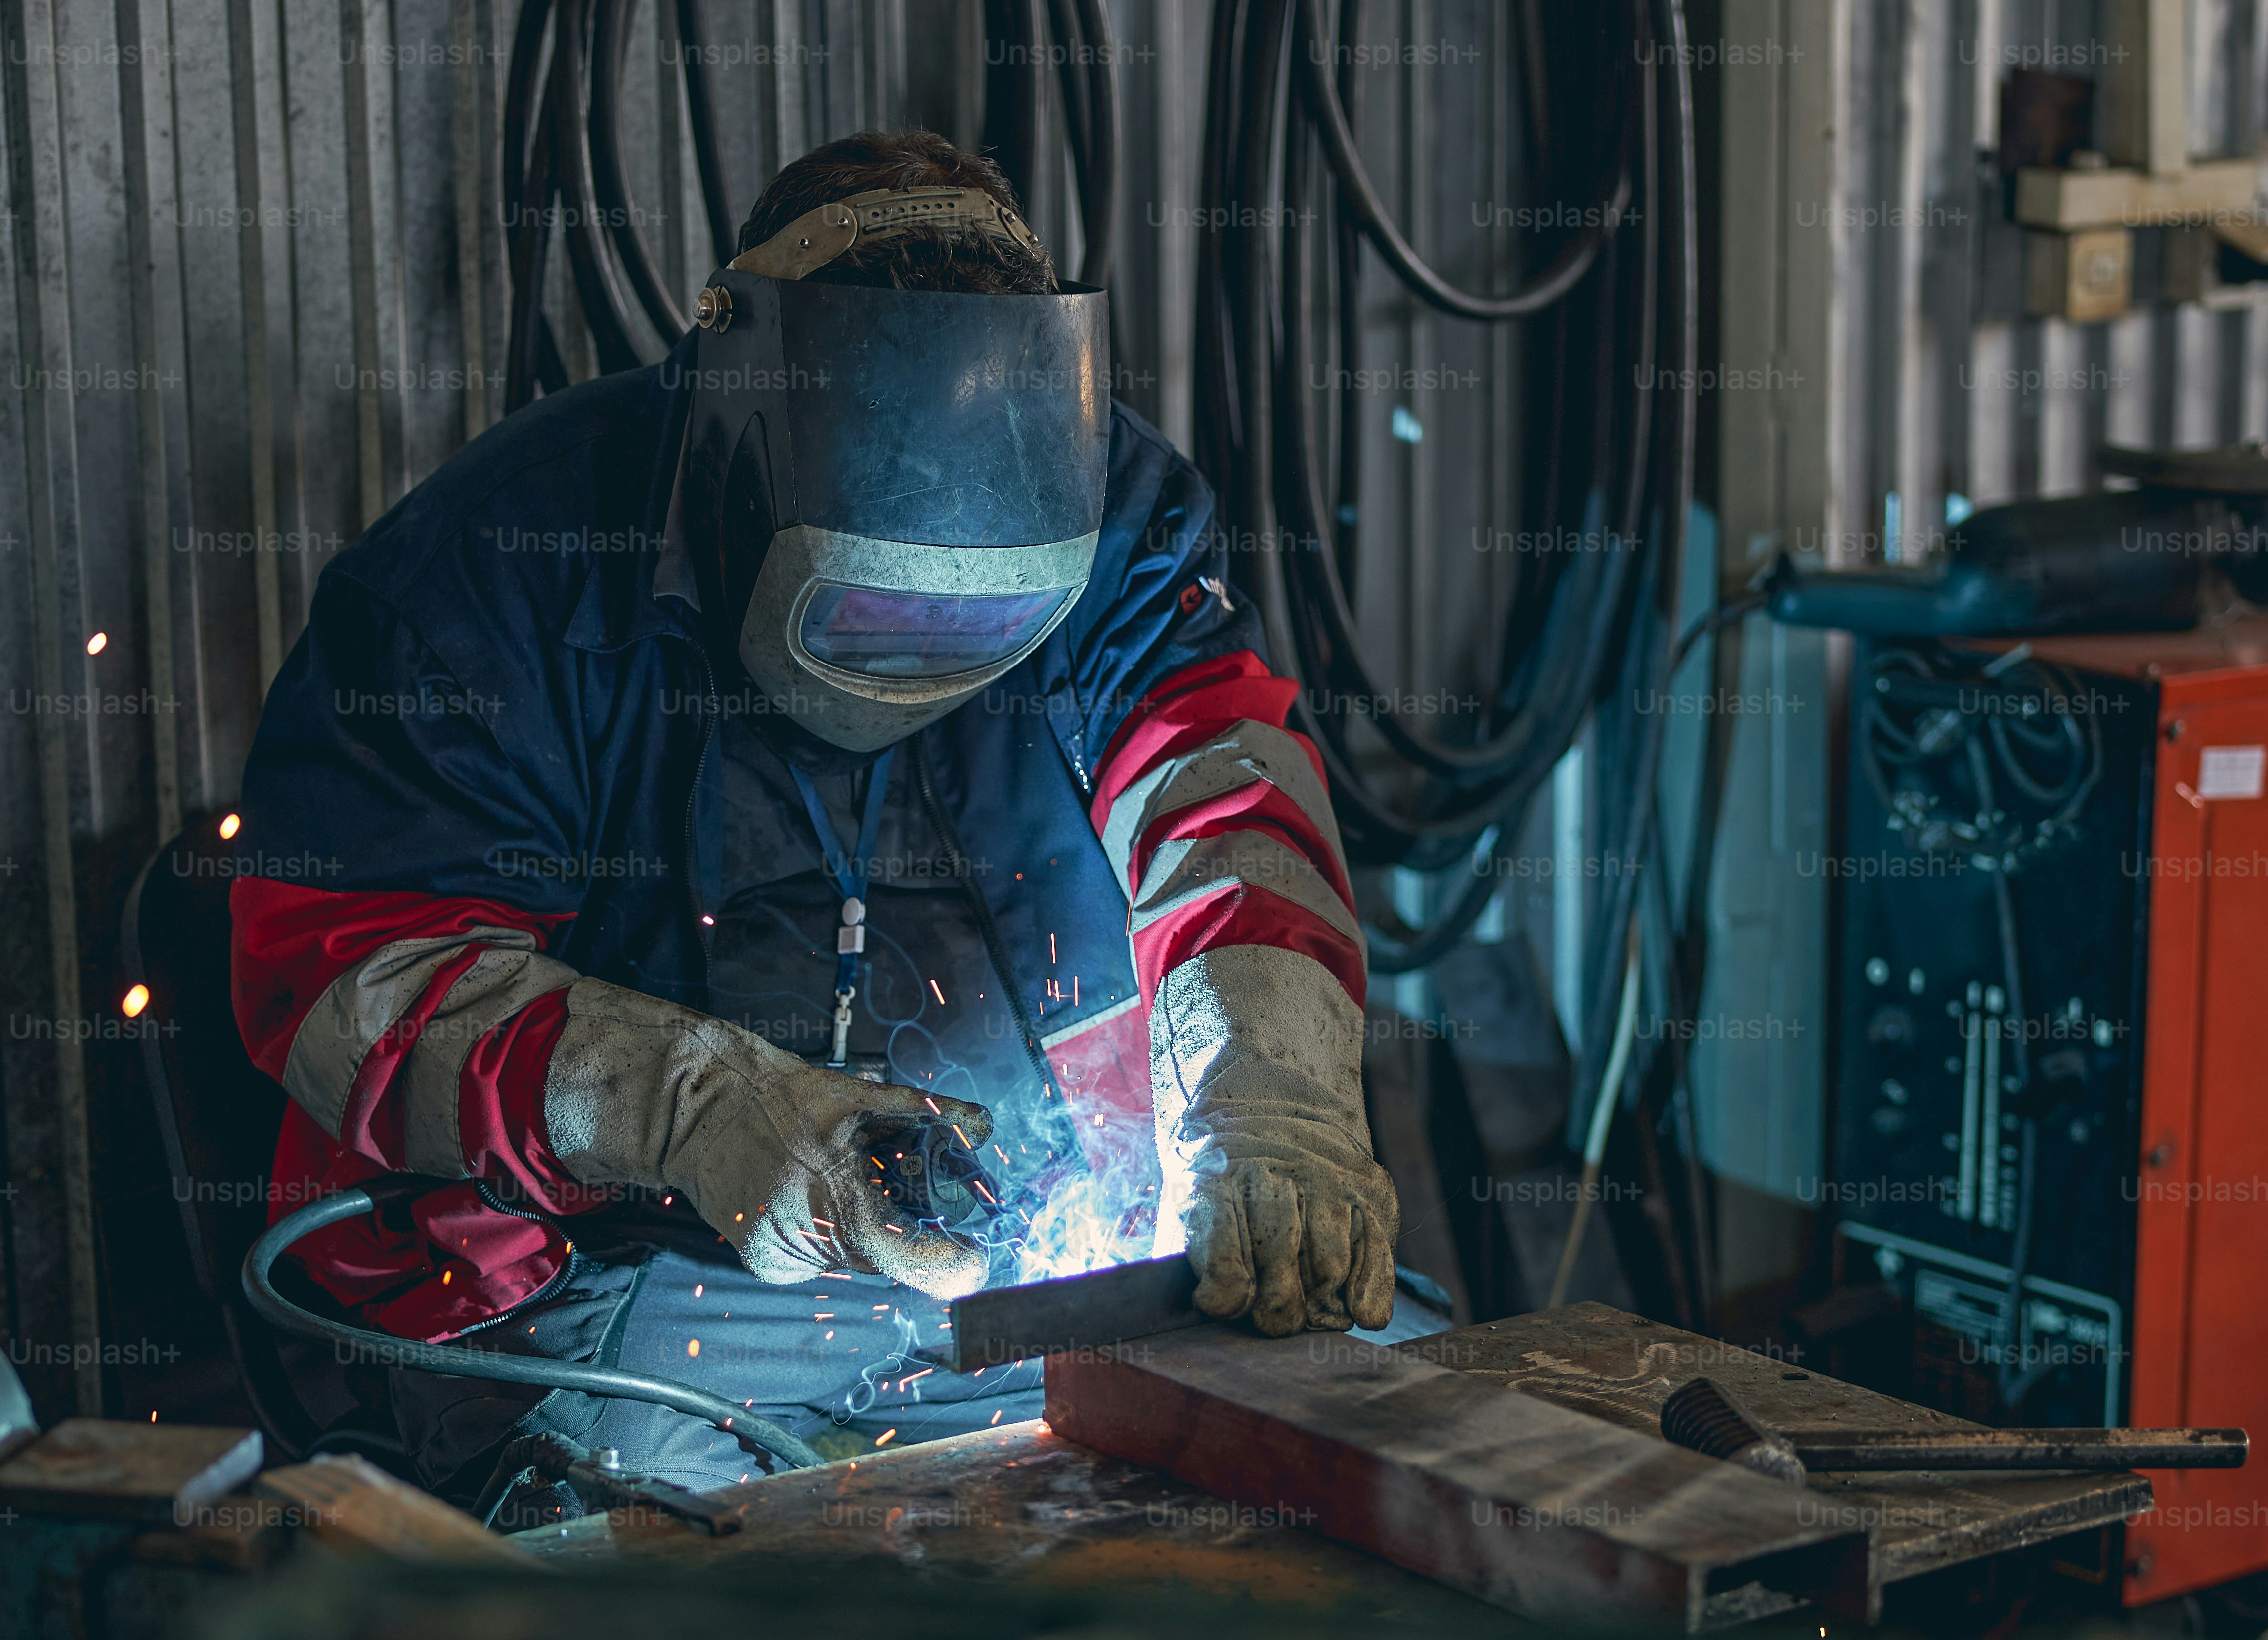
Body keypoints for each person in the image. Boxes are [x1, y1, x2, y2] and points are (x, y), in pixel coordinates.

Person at [230, 127, 1396, 1511]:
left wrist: (1271, 1101)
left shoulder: (1122, 518)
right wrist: (697, 1110)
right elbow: (352, 973)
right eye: (877, 613)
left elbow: (1227, 816)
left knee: (1368, 1443)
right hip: (601, 1277)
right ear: (743, 470)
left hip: (1016, 1255)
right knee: (717, 1583)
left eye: (984, 628)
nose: (921, 668)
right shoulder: (492, 574)